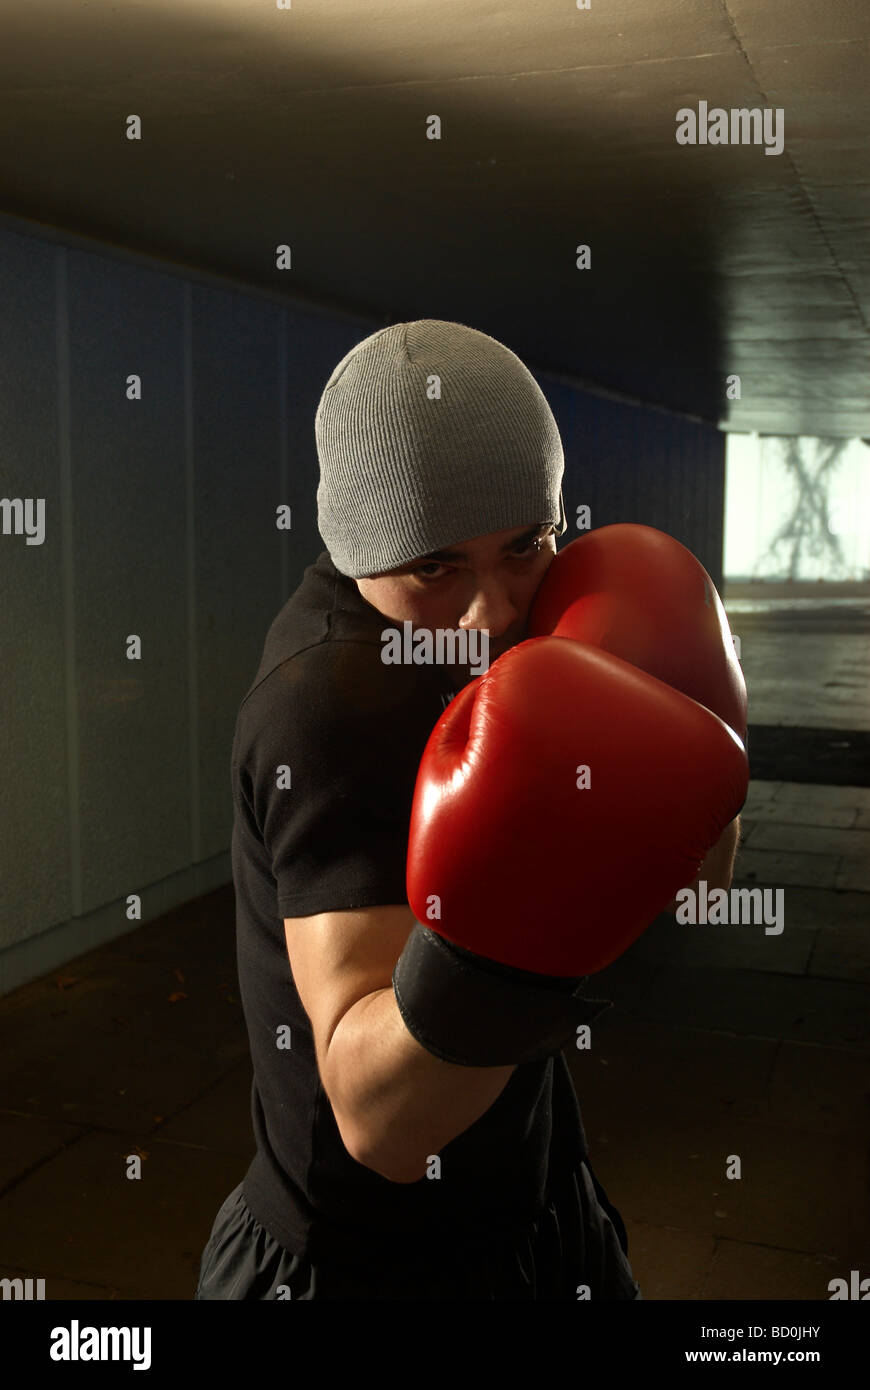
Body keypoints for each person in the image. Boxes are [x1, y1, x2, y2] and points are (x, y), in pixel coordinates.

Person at [195, 319, 745, 1300]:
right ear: (361, 548)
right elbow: (381, 1125)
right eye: (436, 568)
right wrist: (511, 933)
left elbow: (698, 883)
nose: (492, 613)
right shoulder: (329, 707)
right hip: (366, 1264)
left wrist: (697, 751)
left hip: (532, 1196)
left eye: (524, 547)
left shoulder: (535, 640)